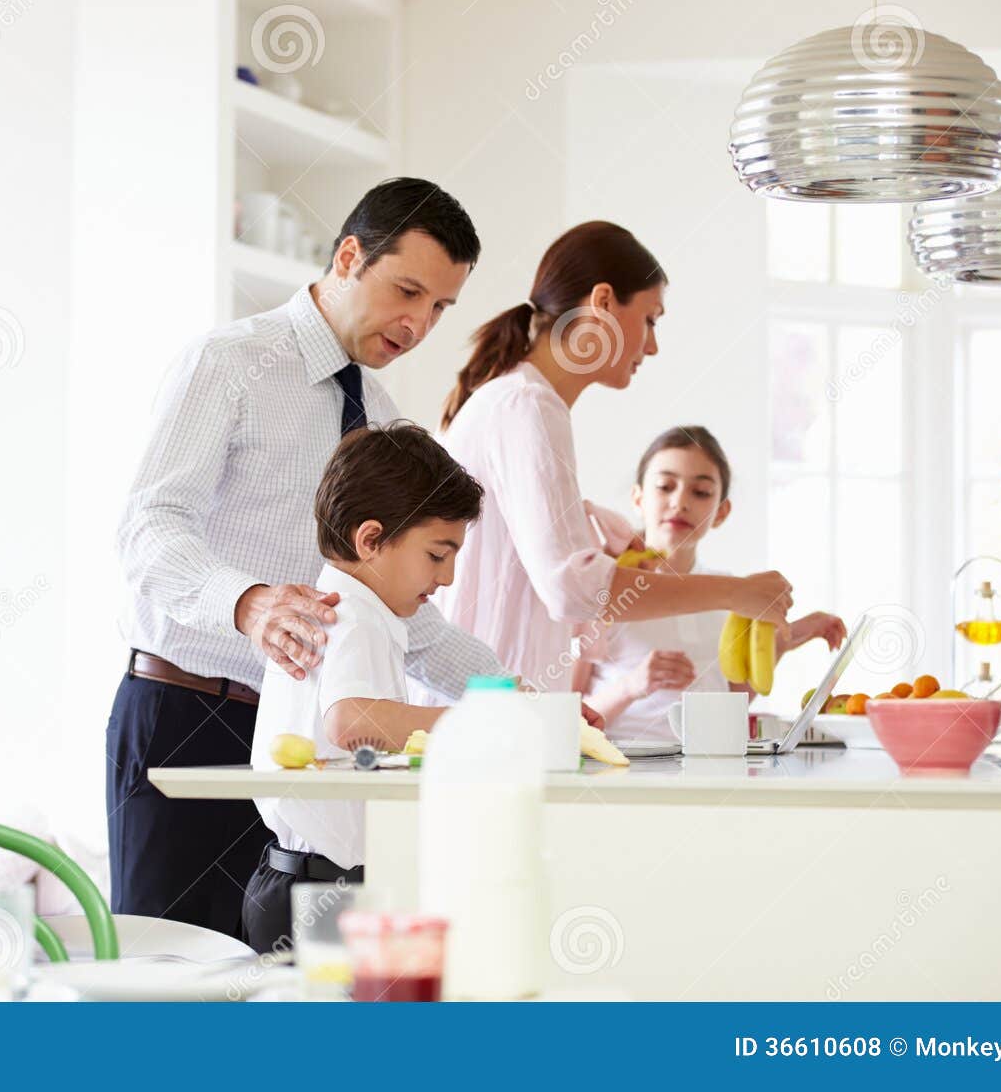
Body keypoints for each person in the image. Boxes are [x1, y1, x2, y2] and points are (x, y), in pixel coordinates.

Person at [110, 178, 507, 937]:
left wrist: (514, 697)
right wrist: (248, 603)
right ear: (350, 256)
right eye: (408, 291)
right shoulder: (227, 363)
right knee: (172, 970)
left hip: (307, 756)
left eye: (440, 308)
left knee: (290, 982)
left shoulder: (382, 420)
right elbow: (148, 527)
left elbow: (408, 615)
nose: (418, 323)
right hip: (187, 715)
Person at [435, 221, 794, 693]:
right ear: (603, 302)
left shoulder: (521, 402)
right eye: (650, 319)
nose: (652, 345)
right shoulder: (527, 405)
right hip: (488, 707)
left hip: (501, 702)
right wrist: (736, 592)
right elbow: (571, 588)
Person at [243, 421, 481, 953]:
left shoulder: (338, 608)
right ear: (371, 540)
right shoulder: (356, 616)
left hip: (294, 878)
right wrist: (478, 722)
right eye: (437, 555)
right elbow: (352, 722)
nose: (446, 577)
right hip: (324, 890)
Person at [571, 426, 847, 744]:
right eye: (665, 486)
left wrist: (791, 637)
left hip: (704, 762)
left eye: (700, 492)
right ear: (638, 498)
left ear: (721, 512)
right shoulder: (604, 589)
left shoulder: (733, 596)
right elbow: (566, 716)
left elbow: (729, 696)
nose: (680, 502)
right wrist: (631, 686)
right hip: (622, 764)